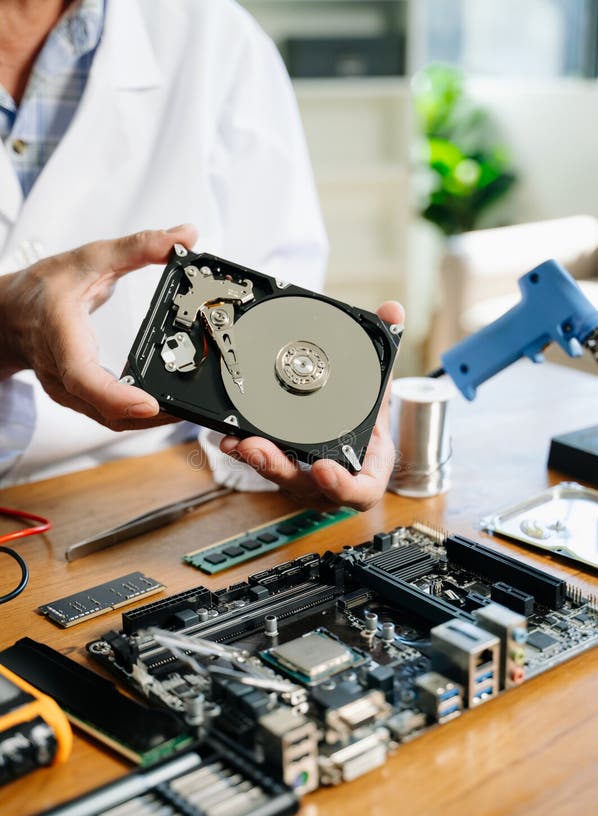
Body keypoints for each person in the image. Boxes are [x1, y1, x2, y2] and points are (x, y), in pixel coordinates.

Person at [0, 0, 404, 510]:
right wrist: (5, 326)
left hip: (166, 480)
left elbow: (281, 303)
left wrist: (318, 434)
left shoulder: (216, 34)